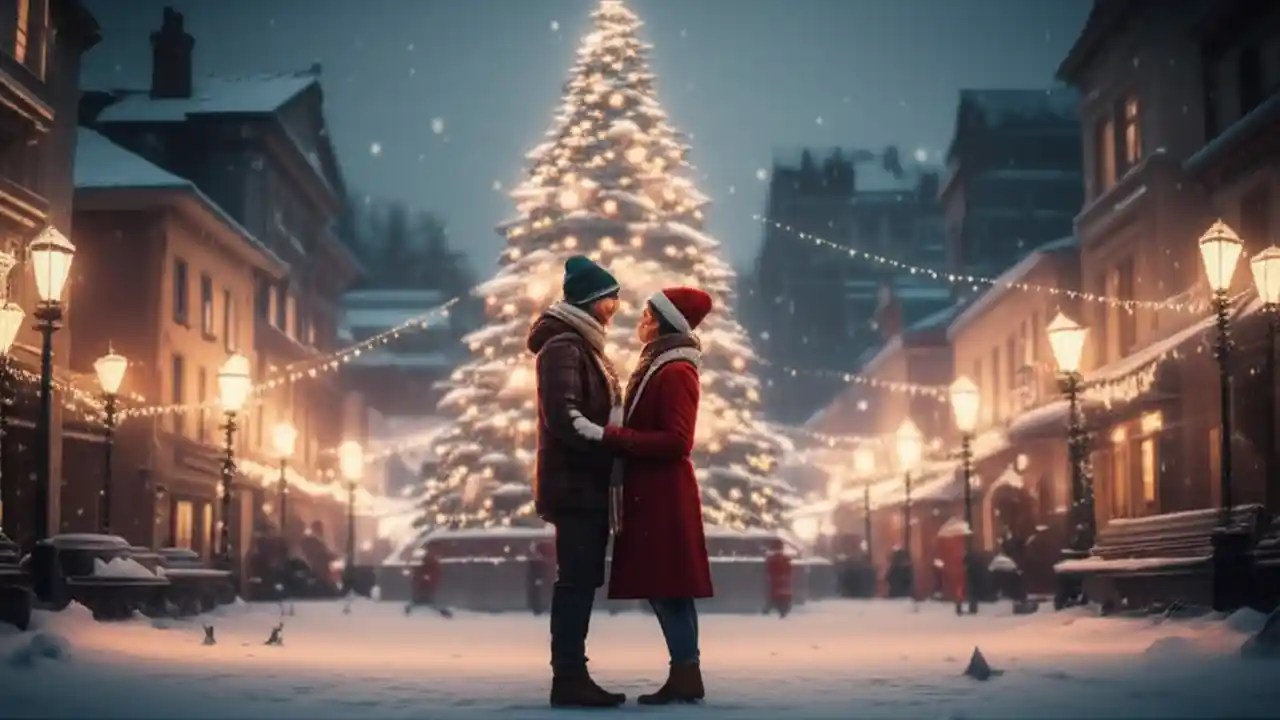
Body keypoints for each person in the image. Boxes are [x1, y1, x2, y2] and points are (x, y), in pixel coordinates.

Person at [571, 286, 714, 705]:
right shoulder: (657, 365)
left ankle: (686, 671)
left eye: (650, 316)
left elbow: (676, 441)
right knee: (667, 585)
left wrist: (612, 436)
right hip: (653, 493)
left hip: (663, 495)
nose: (641, 321)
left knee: (668, 586)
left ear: (667, 323)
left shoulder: (675, 371)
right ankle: (686, 671)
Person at [526, 255, 626, 708]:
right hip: (575, 486)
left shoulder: (583, 346)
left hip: (585, 484)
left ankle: (572, 674)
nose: (617, 308)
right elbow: (564, 416)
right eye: (610, 300)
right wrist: (611, 440)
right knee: (576, 582)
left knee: (582, 579)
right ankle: (568, 677)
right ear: (590, 301)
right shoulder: (564, 348)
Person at [764, 539, 793, 618]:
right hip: (781, 581)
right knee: (780, 595)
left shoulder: (772, 559)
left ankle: (771, 608)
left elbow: (769, 569)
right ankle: (781, 610)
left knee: (775, 595)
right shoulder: (785, 559)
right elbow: (788, 569)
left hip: (775, 580)